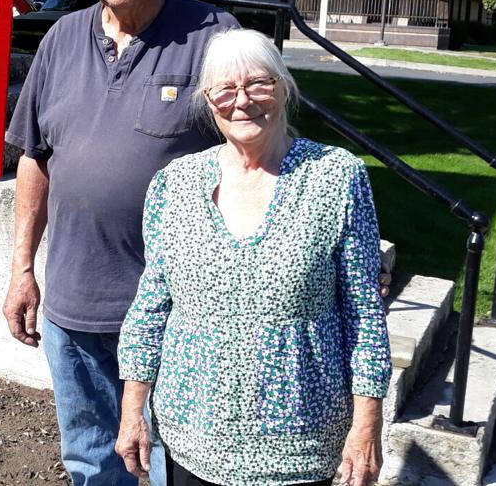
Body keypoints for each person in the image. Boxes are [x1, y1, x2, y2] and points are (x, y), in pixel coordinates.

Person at [3, 0, 240, 485]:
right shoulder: (60, 38)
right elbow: (36, 157)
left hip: (177, 314)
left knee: (172, 465)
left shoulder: (215, 36)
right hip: (74, 306)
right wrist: (23, 269)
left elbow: (256, 154)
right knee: (90, 459)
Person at [114, 29, 391, 486]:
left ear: (283, 87)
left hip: (302, 441)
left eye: (259, 83)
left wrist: (366, 426)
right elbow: (150, 306)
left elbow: (363, 313)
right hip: (192, 437)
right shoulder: (174, 184)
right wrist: (132, 412)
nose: (242, 101)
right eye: (225, 89)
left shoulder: (336, 177)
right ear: (208, 101)